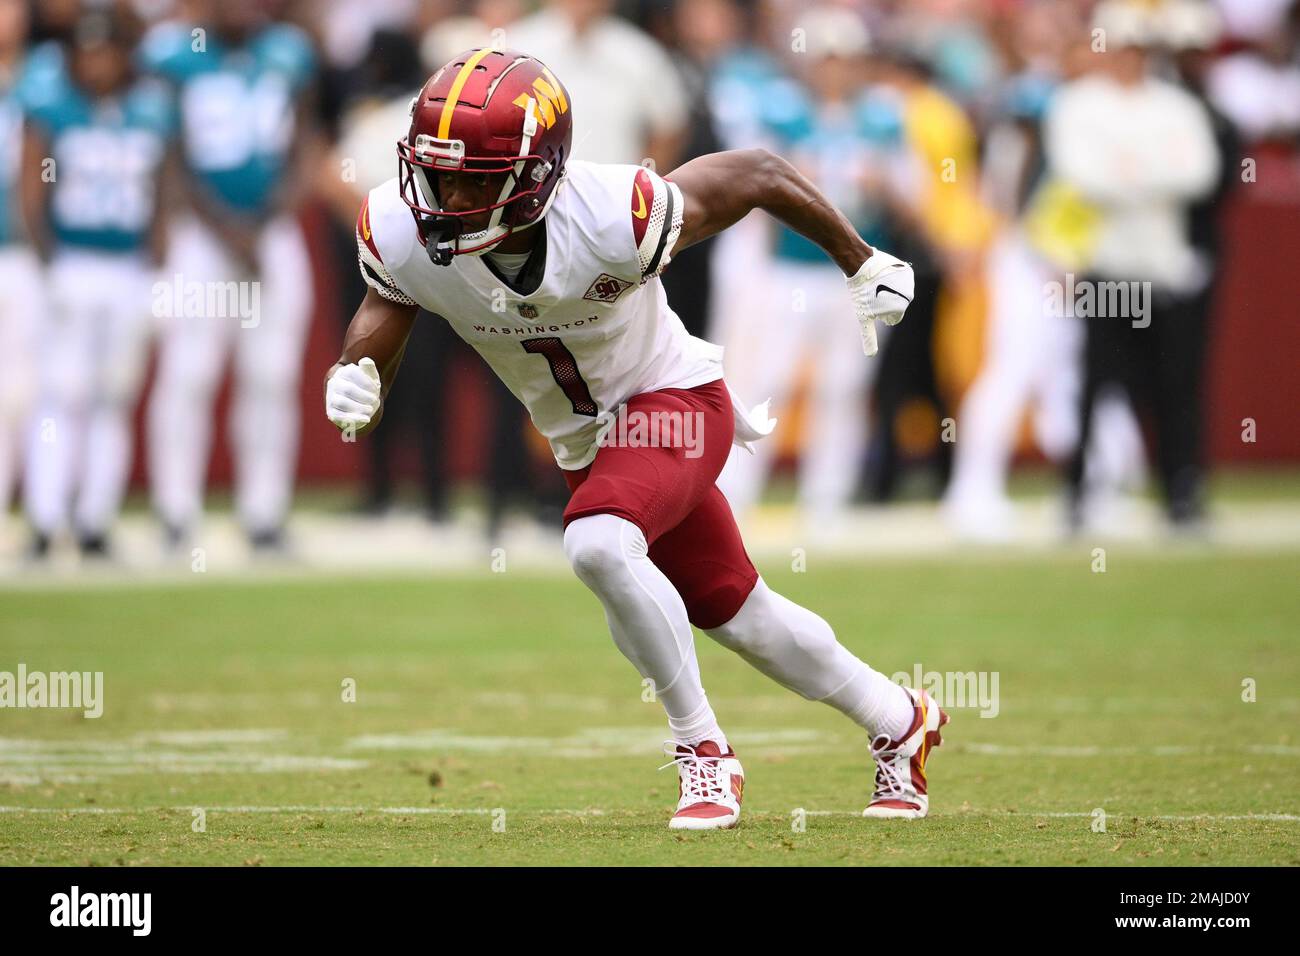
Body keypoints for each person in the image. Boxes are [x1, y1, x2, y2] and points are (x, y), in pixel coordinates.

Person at [324, 49, 946, 829]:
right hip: (590, 443)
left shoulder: (618, 213)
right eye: (437, 173)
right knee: (739, 613)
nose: (447, 196)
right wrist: (355, 371)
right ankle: (900, 718)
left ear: (539, 174)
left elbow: (755, 171)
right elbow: (387, 302)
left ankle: (704, 752)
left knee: (597, 543)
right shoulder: (398, 225)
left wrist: (859, 260)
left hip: (675, 400)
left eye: (474, 178)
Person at [139, 0, 317, 552]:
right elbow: (166, 151)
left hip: (271, 231)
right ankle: (176, 511)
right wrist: (226, 228)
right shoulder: (172, 54)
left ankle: (263, 512)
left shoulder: (289, 50)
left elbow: (302, 143)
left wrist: (266, 220)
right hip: (200, 235)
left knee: (272, 376)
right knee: (188, 372)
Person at [19, 8, 173, 559]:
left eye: (107, 50)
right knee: (61, 394)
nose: (97, 62)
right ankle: (43, 518)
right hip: (74, 262)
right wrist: (50, 265)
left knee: (112, 398)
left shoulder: (150, 108)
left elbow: (162, 191)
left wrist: (158, 264)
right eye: (88, 52)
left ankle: (94, 520)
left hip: (128, 267)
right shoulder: (52, 108)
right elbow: (30, 191)